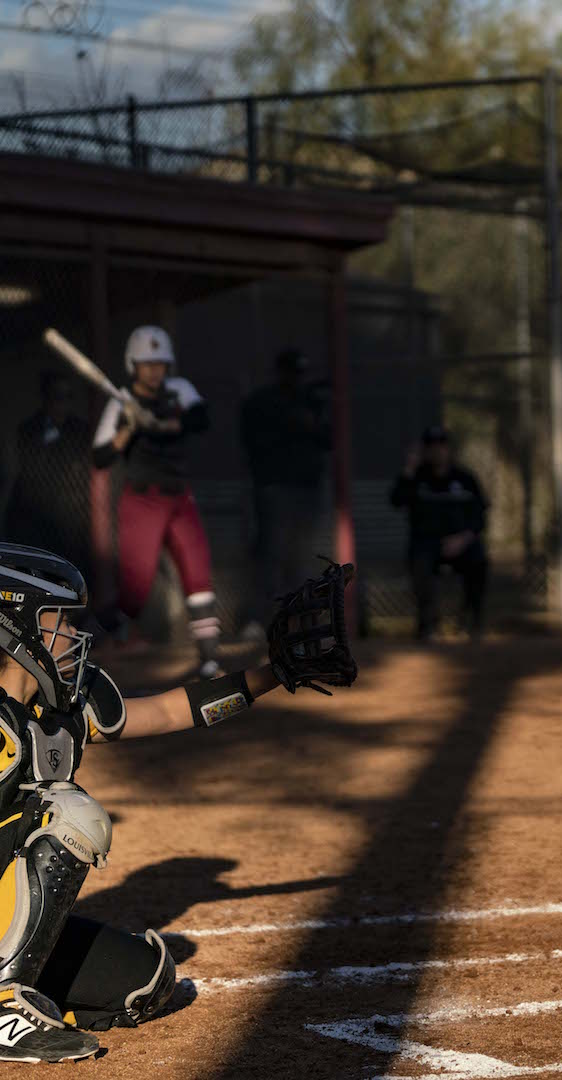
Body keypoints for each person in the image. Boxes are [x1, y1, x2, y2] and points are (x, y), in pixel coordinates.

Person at [0, 543, 358, 1061]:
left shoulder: (63, 710)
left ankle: (17, 988)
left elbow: (170, 711)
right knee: (69, 814)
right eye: (60, 622)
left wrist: (271, 676)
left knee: (146, 983)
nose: (77, 636)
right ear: (19, 630)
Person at [91, 327, 221, 677]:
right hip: (142, 500)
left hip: (179, 496)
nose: (154, 371)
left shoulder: (179, 390)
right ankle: (88, 639)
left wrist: (163, 422)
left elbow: (200, 419)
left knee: (198, 572)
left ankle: (209, 661)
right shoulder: (120, 399)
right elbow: (101, 456)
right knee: (136, 588)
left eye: (160, 364)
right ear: (133, 365)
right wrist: (128, 429)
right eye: (146, 364)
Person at [240, 348, 332, 627]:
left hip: (306, 488)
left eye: (300, 373)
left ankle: (296, 620)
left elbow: (329, 438)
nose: (296, 379)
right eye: (291, 372)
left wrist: (310, 424)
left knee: (301, 555)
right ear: (279, 372)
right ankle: (261, 619)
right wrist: (291, 424)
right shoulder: (263, 402)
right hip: (274, 488)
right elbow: (251, 441)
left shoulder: (312, 401)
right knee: (271, 553)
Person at [389, 426, 490, 639]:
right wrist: (409, 469)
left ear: (449, 449)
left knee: (479, 558)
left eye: (441, 446)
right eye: (431, 447)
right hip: (426, 544)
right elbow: (397, 500)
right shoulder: (416, 477)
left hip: (461, 543)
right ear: (425, 450)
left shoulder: (465, 479)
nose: (437, 451)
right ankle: (427, 625)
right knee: (419, 562)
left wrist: (463, 539)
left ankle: (472, 622)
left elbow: (480, 517)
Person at [2, 373, 92, 571]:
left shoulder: (80, 431)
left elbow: (80, 468)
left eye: (67, 396)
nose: (61, 403)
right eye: (56, 396)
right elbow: (28, 467)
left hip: (70, 510)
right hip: (36, 508)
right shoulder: (29, 430)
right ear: (45, 398)